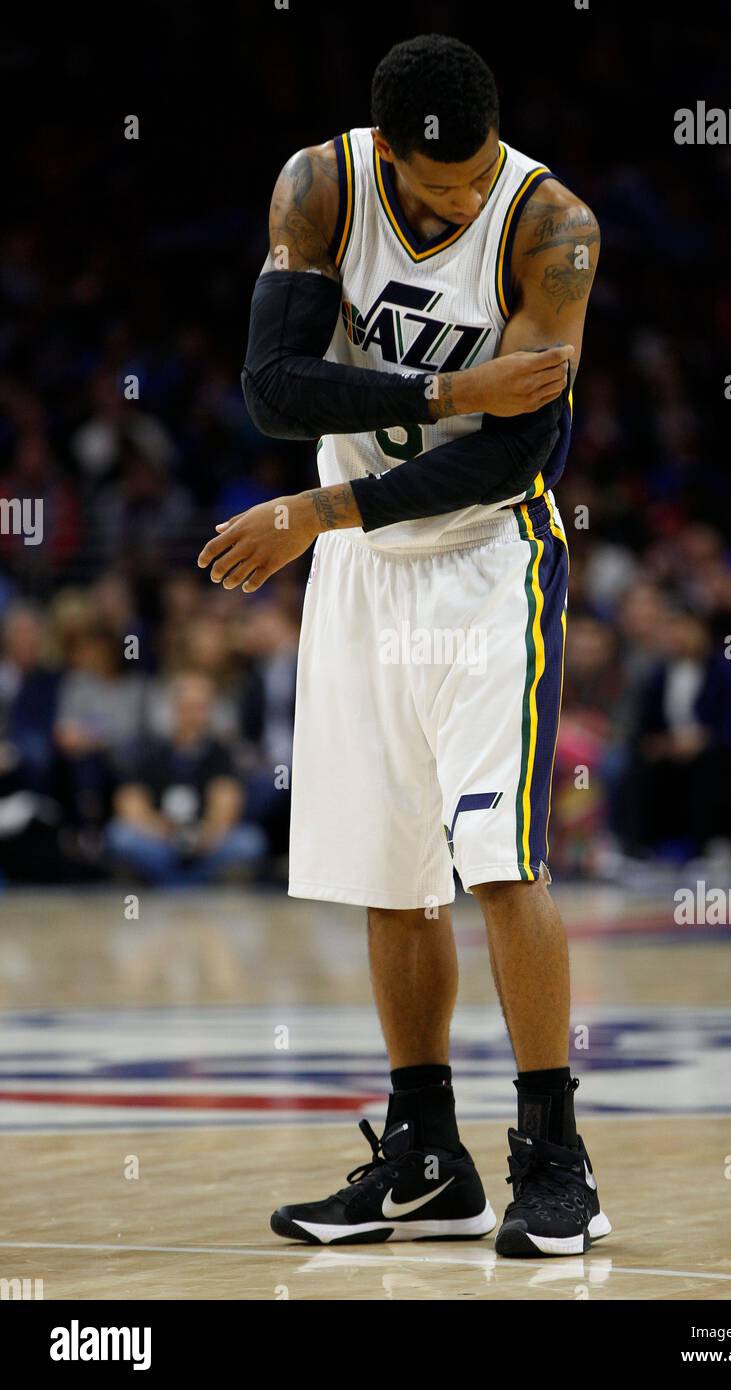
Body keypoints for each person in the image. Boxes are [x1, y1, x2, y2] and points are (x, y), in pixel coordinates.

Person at [198, 34, 608, 1257]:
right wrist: (438, 393)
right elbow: (273, 389)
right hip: (365, 575)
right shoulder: (319, 187)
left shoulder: (550, 225)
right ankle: (428, 1157)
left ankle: (555, 1159)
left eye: (473, 178)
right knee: (387, 874)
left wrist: (313, 509)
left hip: (488, 559)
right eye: (433, 194)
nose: (458, 201)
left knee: (498, 858)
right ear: (386, 157)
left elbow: (516, 449)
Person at [106, 671, 265, 886]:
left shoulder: (221, 753)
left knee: (249, 841)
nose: (195, 715)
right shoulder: (151, 750)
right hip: (160, 839)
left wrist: (208, 833)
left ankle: (178, 885)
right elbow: (129, 800)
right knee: (120, 836)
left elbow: (227, 800)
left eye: (201, 707)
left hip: (205, 840)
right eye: (189, 707)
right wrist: (156, 827)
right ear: (174, 707)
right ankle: (184, 885)